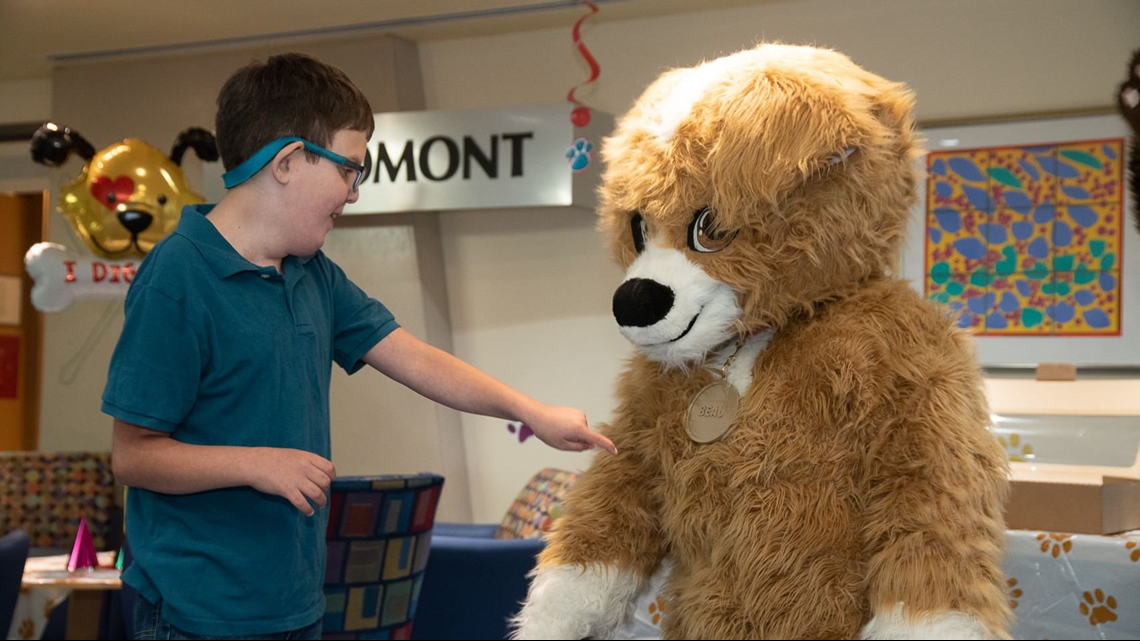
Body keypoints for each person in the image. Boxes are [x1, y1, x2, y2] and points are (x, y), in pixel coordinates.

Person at [103, 52, 616, 640]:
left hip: (294, 605)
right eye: (349, 169)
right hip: (194, 614)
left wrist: (530, 411)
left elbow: (414, 357)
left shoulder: (311, 272)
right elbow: (135, 456)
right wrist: (255, 463)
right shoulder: (178, 277)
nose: (352, 192)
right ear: (290, 160)